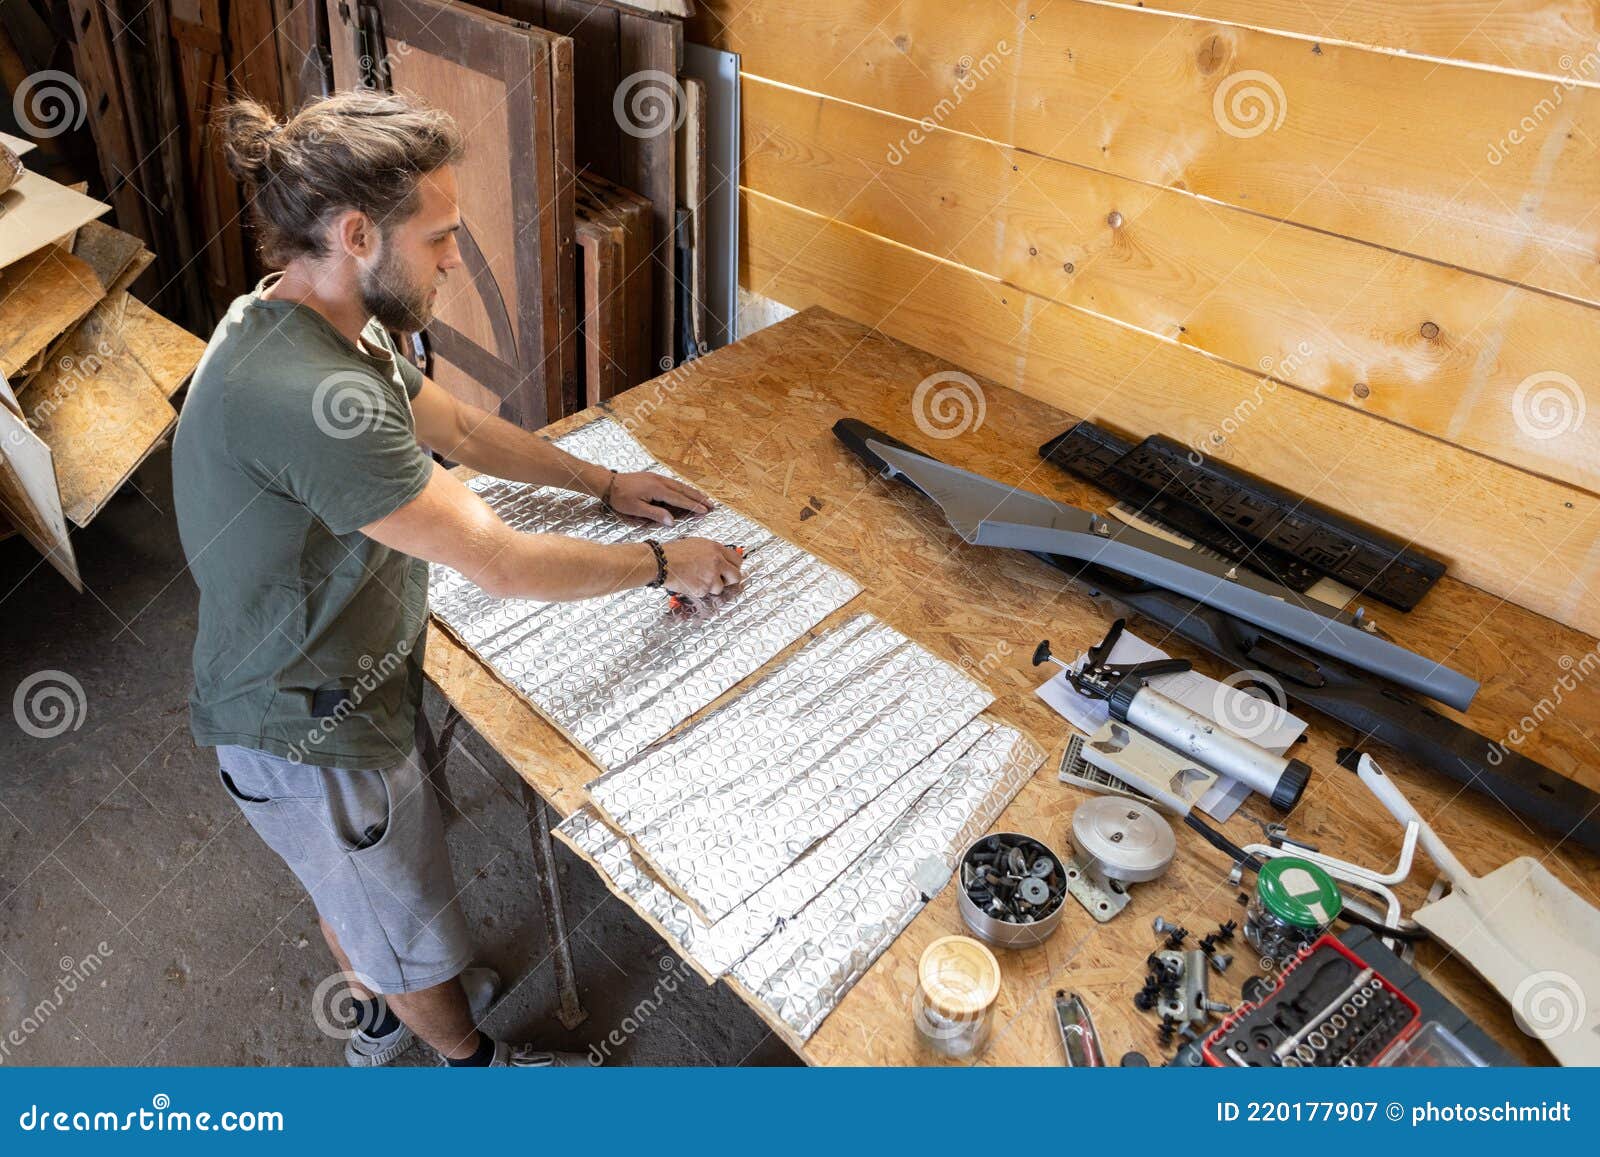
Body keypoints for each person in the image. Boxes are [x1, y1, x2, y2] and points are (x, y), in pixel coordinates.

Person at [171, 90, 742, 1068]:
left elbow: (464, 431)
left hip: (328, 685)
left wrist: (604, 480)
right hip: (313, 733)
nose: (451, 259)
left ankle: (387, 1008)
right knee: (402, 923)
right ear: (356, 233)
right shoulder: (312, 397)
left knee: (362, 902)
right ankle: (467, 1064)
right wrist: (665, 563)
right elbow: (501, 560)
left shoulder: (318, 318)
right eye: (438, 238)